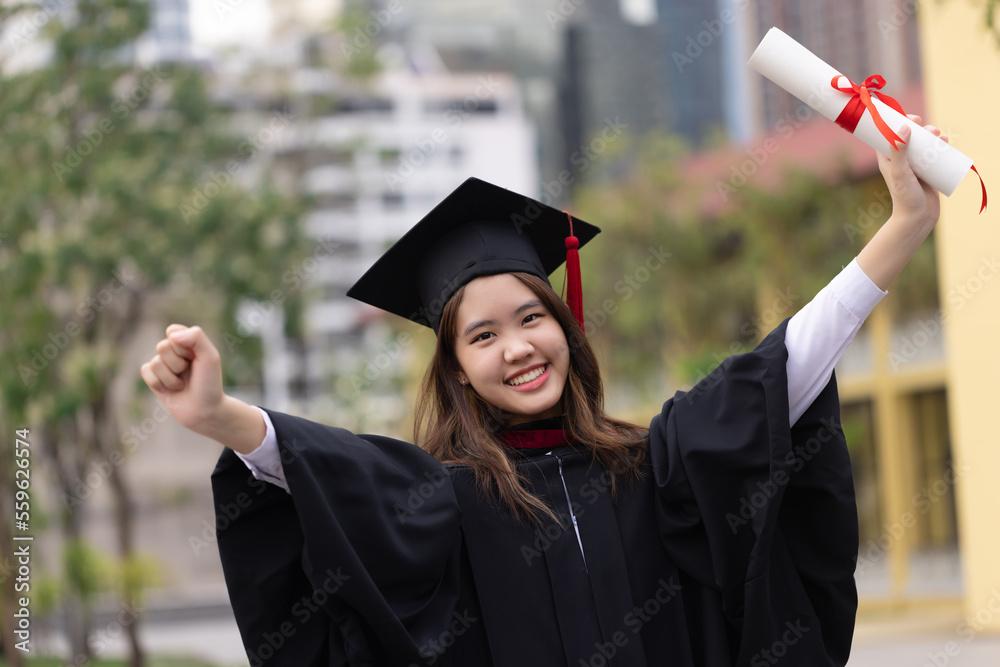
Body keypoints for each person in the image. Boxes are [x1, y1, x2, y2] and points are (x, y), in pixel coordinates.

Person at [141, 118, 945, 667]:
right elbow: (325, 472)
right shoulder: (441, 501)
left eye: (532, 317)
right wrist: (219, 416)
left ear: (566, 324)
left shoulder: (655, 468)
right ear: (455, 366)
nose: (519, 347)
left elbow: (781, 372)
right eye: (483, 335)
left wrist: (904, 223)